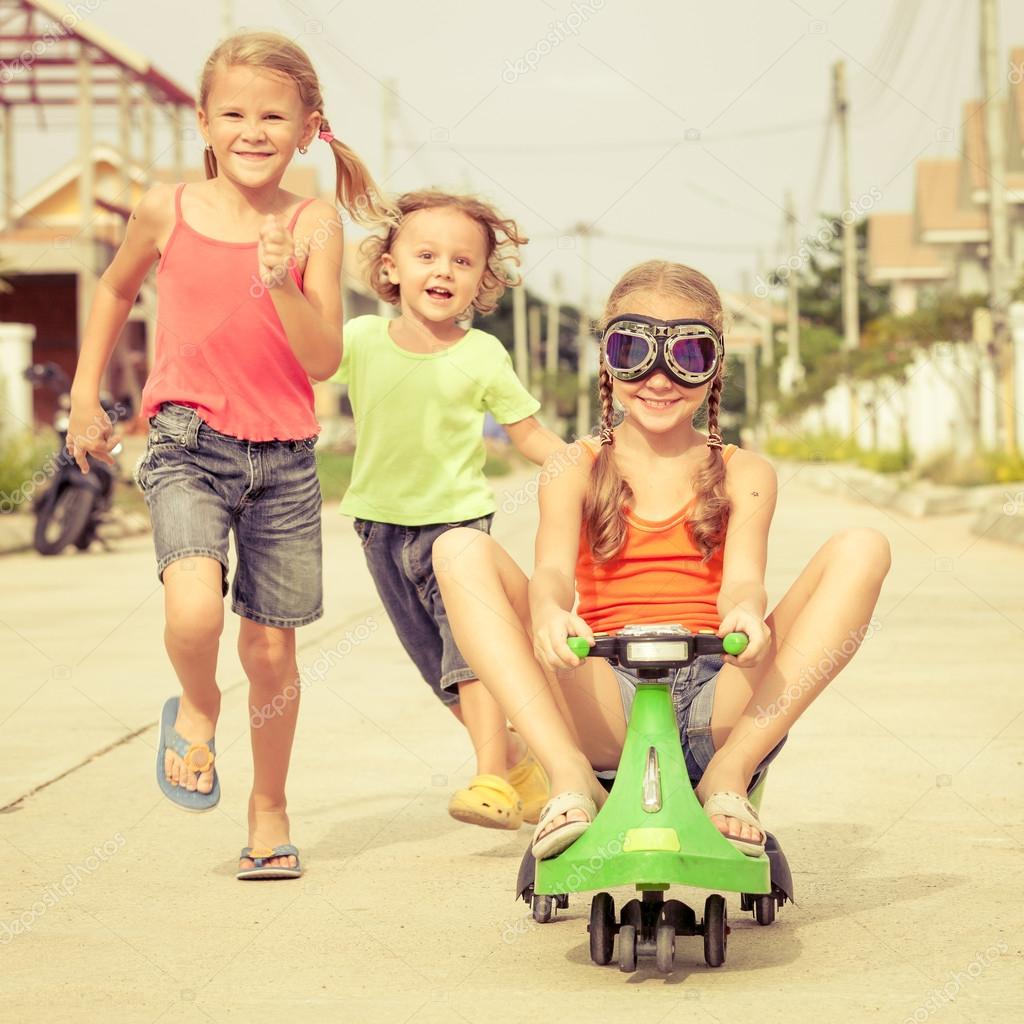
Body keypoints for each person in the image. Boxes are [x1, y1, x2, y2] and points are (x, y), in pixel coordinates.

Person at [65, 31, 392, 880]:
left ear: (307, 127)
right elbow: (114, 287)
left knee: (272, 653)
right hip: (185, 442)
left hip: (284, 459)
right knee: (194, 615)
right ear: (203, 122)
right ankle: (199, 707)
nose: (253, 129)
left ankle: (269, 807)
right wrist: (82, 393)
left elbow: (323, 360)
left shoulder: (313, 224)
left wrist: (280, 281)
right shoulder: (163, 207)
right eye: (235, 112)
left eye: (274, 115)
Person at [433, 259, 892, 859]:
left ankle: (731, 775)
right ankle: (567, 775)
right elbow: (550, 573)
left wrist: (748, 616)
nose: (659, 378)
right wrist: (547, 612)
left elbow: (743, 582)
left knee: (864, 547)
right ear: (608, 359)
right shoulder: (573, 467)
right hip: (604, 704)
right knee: (458, 547)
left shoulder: (744, 472)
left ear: (714, 365)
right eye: (633, 351)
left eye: (688, 356)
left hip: (715, 699)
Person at [336, 189, 565, 831]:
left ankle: (491, 777)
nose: (443, 271)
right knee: (439, 671)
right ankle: (521, 761)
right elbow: (298, 371)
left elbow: (528, 433)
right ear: (390, 267)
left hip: (457, 527)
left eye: (463, 263)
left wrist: (584, 465)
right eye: (427, 255)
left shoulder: (482, 354)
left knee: (469, 656)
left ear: (481, 283)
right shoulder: (360, 339)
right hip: (379, 528)